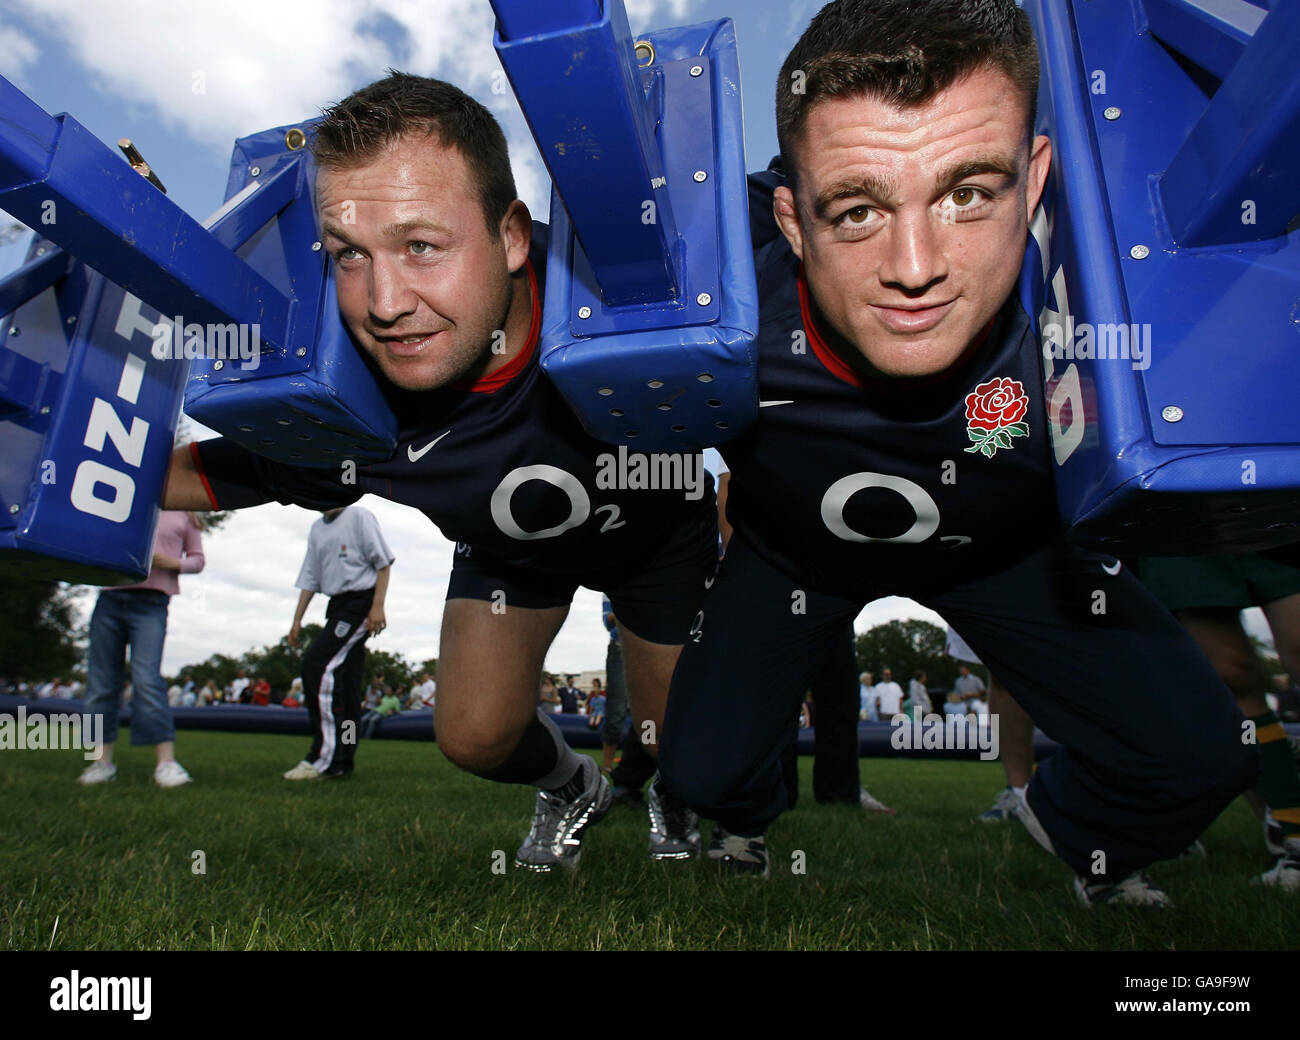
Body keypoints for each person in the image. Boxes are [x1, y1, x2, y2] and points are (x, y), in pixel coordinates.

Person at [659, 0, 1257, 903]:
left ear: (1036, 176)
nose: (915, 264)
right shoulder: (720, 301)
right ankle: (747, 814)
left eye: (968, 193)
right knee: (700, 775)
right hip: (796, 552)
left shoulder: (1106, 298)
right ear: (790, 221)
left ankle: (1067, 826)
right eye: (857, 209)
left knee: (1201, 756)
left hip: (1007, 552)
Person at [161, 70, 720, 871]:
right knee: (473, 736)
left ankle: (672, 785)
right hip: (510, 556)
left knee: (692, 749)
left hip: (659, 545)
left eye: (421, 245)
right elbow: (195, 478)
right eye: (350, 255)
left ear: (513, 236)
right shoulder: (358, 400)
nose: (383, 301)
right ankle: (573, 787)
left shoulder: (619, 295)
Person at [77, 510, 205, 788]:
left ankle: (166, 763)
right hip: (110, 597)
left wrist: (171, 563)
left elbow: (198, 560)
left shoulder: (186, 515)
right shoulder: (127, 498)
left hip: (151, 603)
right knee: (101, 682)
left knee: (147, 678)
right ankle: (101, 761)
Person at [281, 505, 394, 779]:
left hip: (360, 602)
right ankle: (342, 760)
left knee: (317, 666)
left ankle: (322, 757)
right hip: (336, 605)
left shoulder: (359, 516)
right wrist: (297, 620)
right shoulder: (317, 528)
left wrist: (377, 606)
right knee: (346, 682)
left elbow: (383, 563)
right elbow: (310, 576)